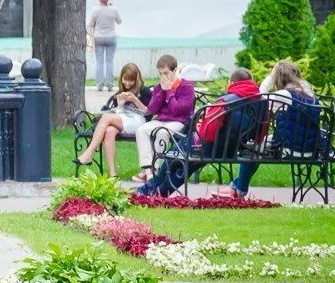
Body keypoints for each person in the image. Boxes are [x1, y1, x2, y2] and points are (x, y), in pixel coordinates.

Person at [136, 68, 261, 196]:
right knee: (187, 164)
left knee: (174, 155)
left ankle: (150, 188)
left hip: (210, 148)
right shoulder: (261, 102)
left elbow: (207, 133)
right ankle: (158, 192)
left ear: (231, 83)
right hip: (235, 149)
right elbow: (261, 133)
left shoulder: (225, 102)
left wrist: (199, 129)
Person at [218, 61, 320, 199]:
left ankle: (239, 189)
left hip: (291, 148)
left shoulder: (284, 95)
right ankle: (235, 187)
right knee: (261, 145)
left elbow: (257, 99)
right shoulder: (310, 94)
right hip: (311, 148)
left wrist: (269, 79)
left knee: (251, 148)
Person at [75, 62, 152, 177]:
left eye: (131, 80)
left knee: (106, 118)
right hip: (124, 121)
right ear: (121, 78)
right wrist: (120, 104)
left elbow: (149, 113)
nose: (128, 83)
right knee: (109, 131)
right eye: (125, 79)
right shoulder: (120, 92)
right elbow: (120, 113)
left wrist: (136, 100)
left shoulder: (144, 91)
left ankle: (88, 153)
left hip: (138, 122)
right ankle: (112, 173)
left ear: (137, 79)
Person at [133, 55, 195, 182]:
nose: (163, 77)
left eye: (166, 73)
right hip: (161, 120)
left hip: (179, 122)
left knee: (162, 132)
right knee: (141, 130)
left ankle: (156, 170)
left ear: (175, 70)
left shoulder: (186, 87)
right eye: (160, 73)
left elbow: (177, 110)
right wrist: (162, 91)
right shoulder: (158, 87)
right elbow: (152, 109)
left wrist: (170, 92)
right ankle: (148, 171)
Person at [87, 0, 122, 91]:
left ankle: (100, 84)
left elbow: (91, 24)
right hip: (111, 36)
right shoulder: (113, 9)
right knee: (109, 61)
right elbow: (119, 21)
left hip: (98, 37)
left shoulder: (95, 10)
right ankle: (110, 84)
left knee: (99, 62)